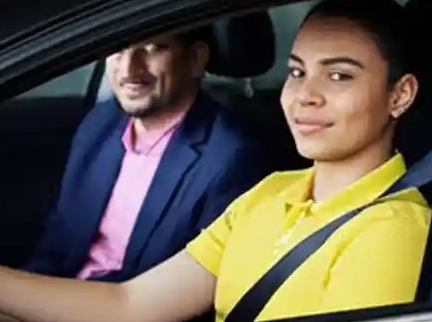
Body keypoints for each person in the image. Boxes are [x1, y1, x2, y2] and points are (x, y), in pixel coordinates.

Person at [0, 0, 429, 322]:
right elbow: (129, 305)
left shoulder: (394, 229)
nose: (304, 96)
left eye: (338, 76)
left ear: (400, 95)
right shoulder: (273, 192)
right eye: (297, 73)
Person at [23, 25, 264, 284]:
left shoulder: (231, 158)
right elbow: (61, 236)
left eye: (152, 49)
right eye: (117, 49)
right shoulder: (100, 123)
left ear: (195, 59)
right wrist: (26, 293)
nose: (129, 70)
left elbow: (181, 288)